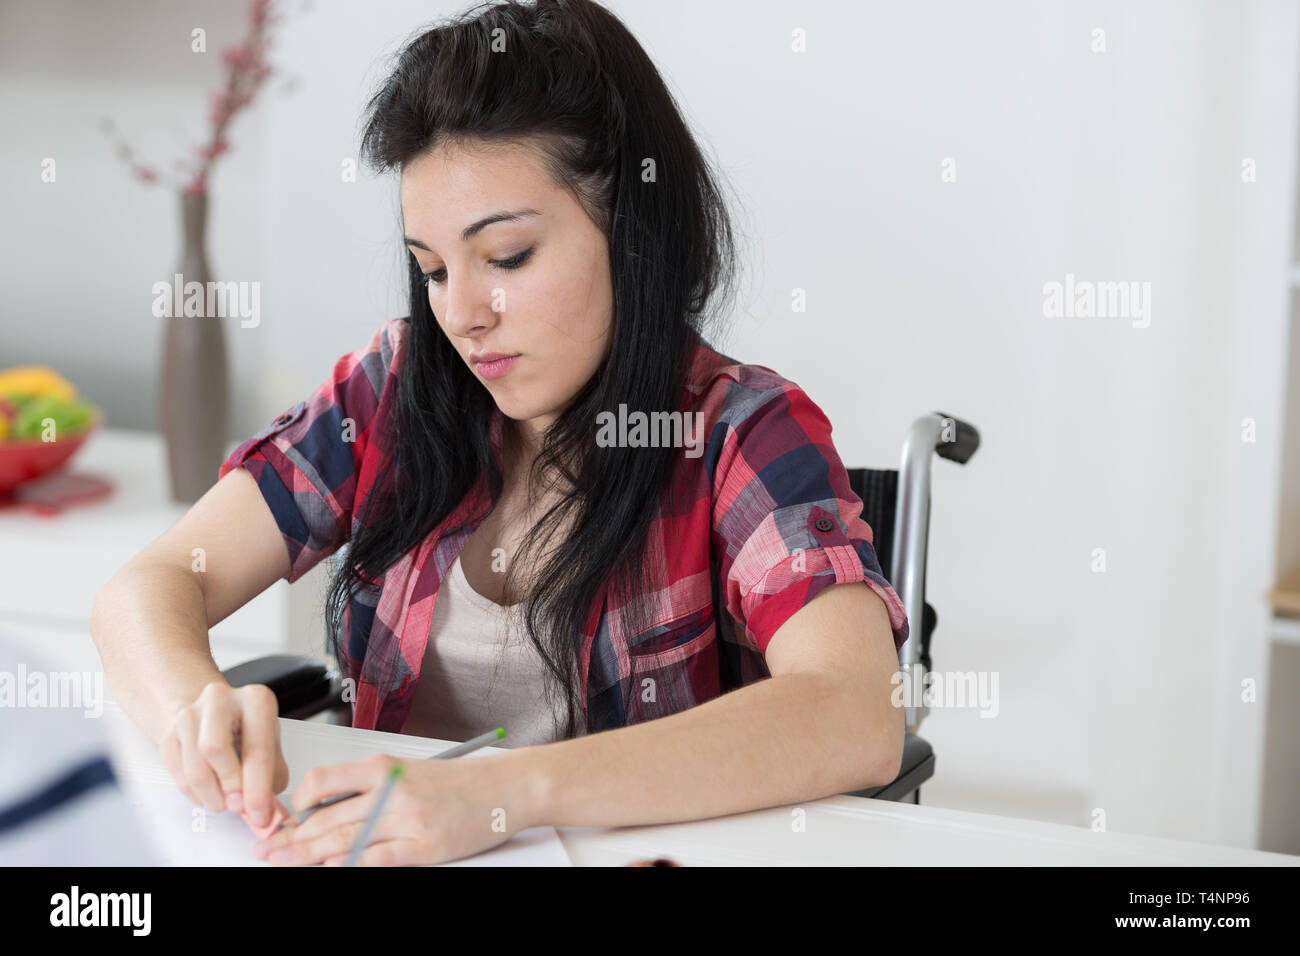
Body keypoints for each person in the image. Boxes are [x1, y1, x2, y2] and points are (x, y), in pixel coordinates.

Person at [91, 0, 910, 866]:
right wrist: (195, 708)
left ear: (630, 228)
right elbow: (144, 590)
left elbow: (853, 710)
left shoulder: (739, 432)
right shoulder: (392, 392)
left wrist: (499, 796)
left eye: (509, 257)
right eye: (433, 269)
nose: (464, 315)